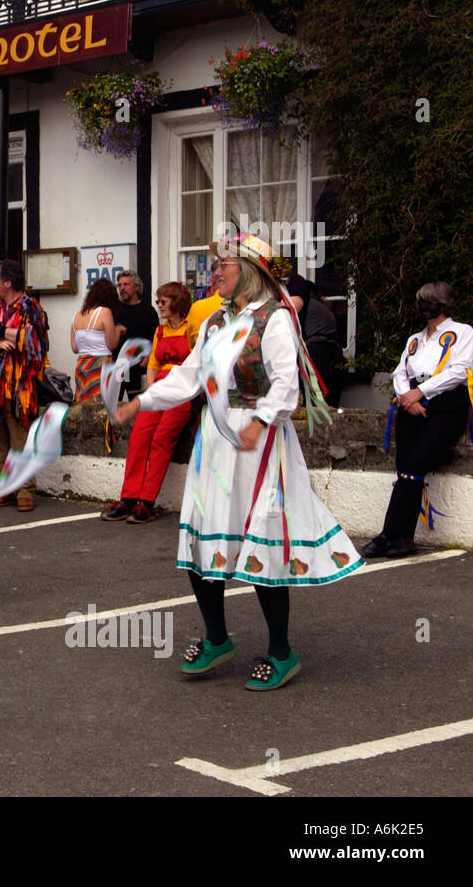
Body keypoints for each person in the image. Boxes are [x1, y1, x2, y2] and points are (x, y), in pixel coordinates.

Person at [113, 234, 361, 691]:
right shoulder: (214, 325)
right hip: (218, 442)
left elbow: (287, 383)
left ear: (250, 269)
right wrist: (141, 403)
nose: (215, 272)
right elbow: (189, 378)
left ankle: (281, 652)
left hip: (260, 444)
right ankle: (216, 637)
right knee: (200, 540)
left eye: (223, 264)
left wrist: (260, 420)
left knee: (262, 543)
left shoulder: (275, 320)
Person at [360, 282, 473, 559]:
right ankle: (404, 539)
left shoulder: (463, 333)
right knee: (405, 470)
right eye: (421, 302)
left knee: (414, 467)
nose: (424, 307)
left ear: (445, 305)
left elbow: (460, 371)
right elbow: (401, 371)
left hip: (446, 405)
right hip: (412, 404)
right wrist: (406, 397)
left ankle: (387, 534)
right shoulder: (414, 339)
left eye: (430, 302)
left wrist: (421, 392)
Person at [103, 282, 194, 523]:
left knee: (161, 439)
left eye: (163, 301)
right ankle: (129, 497)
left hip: (182, 387)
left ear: (178, 302)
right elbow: (153, 365)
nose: (159, 305)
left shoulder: (192, 328)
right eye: (158, 300)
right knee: (139, 437)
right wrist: (152, 394)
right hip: (160, 387)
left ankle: (147, 501)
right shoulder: (160, 331)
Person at [0, 259, 49, 512]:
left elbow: (34, 340)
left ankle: (25, 489)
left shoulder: (31, 307)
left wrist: (1, 329)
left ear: (7, 282)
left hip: (19, 386)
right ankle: (4, 487)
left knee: (21, 437)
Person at [284, 272, 344, 407]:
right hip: (334, 351)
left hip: (316, 348)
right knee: (327, 393)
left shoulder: (305, 306)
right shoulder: (322, 307)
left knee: (309, 389)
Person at [70, 278, 120, 403]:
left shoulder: (77, 315)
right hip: (100, 366)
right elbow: (112, 344)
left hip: (82, 366)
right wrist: (118, 330)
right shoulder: (104, 312)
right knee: (100, 409)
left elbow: (75, 348)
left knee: (83, 407)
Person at [113, 271, 158, 398]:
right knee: (115, 404)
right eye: (120, 285)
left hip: (139, 366)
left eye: (126, 284)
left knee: (139, 405)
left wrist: (148, 358)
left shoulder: (148, 311)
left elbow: (155, 338)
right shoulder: (115, 310)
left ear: (136, 287)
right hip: (120, 365)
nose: (122, 288)